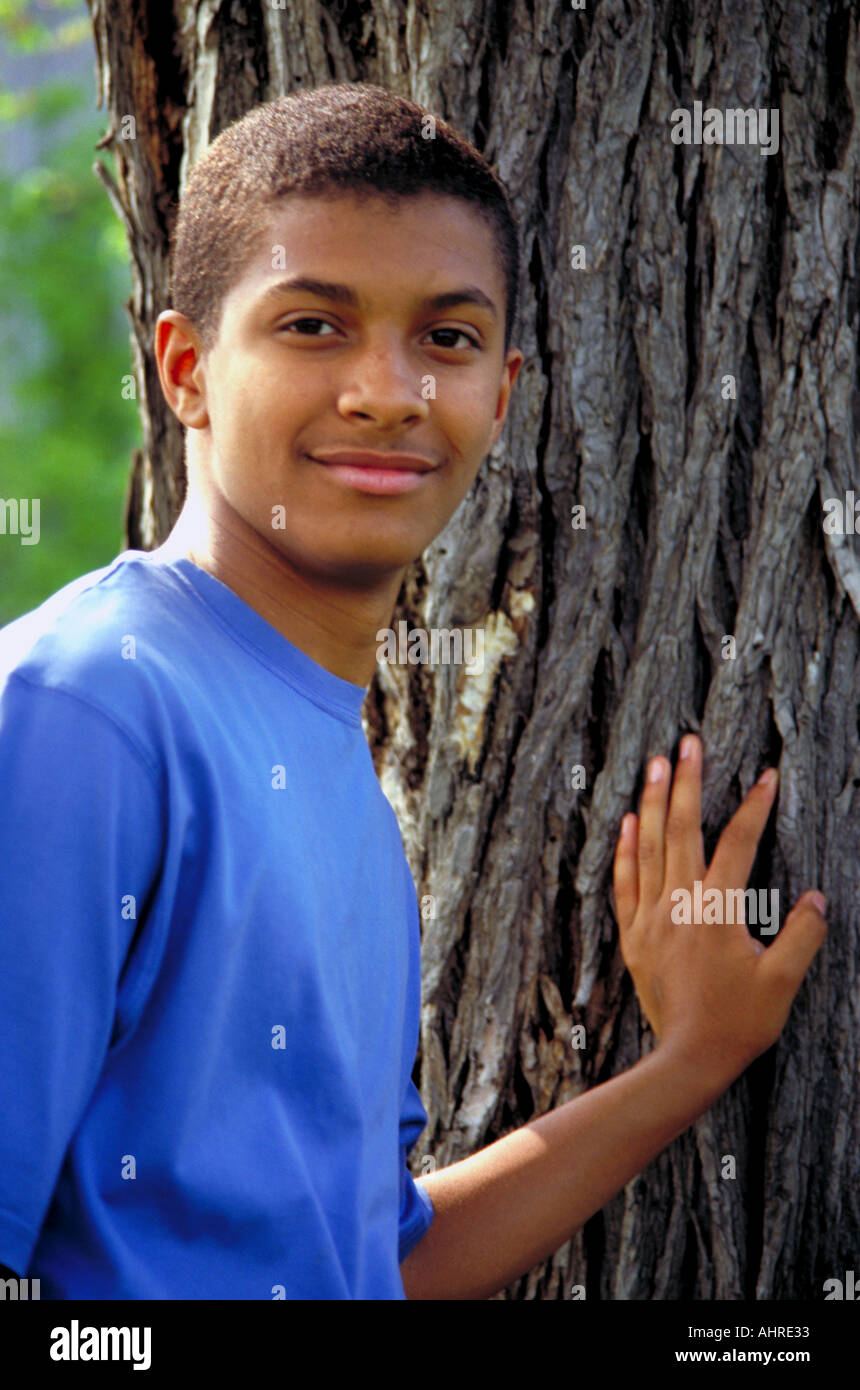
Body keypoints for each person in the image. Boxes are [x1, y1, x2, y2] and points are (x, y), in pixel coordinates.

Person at [0, 84, 826, 1300]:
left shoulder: (331, 769)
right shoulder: (89, 708)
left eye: (446, 338)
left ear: (501, 390)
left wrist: (691, 1061)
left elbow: (366, 1262)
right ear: (184, 369)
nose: (386, 390)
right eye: (312, 327)